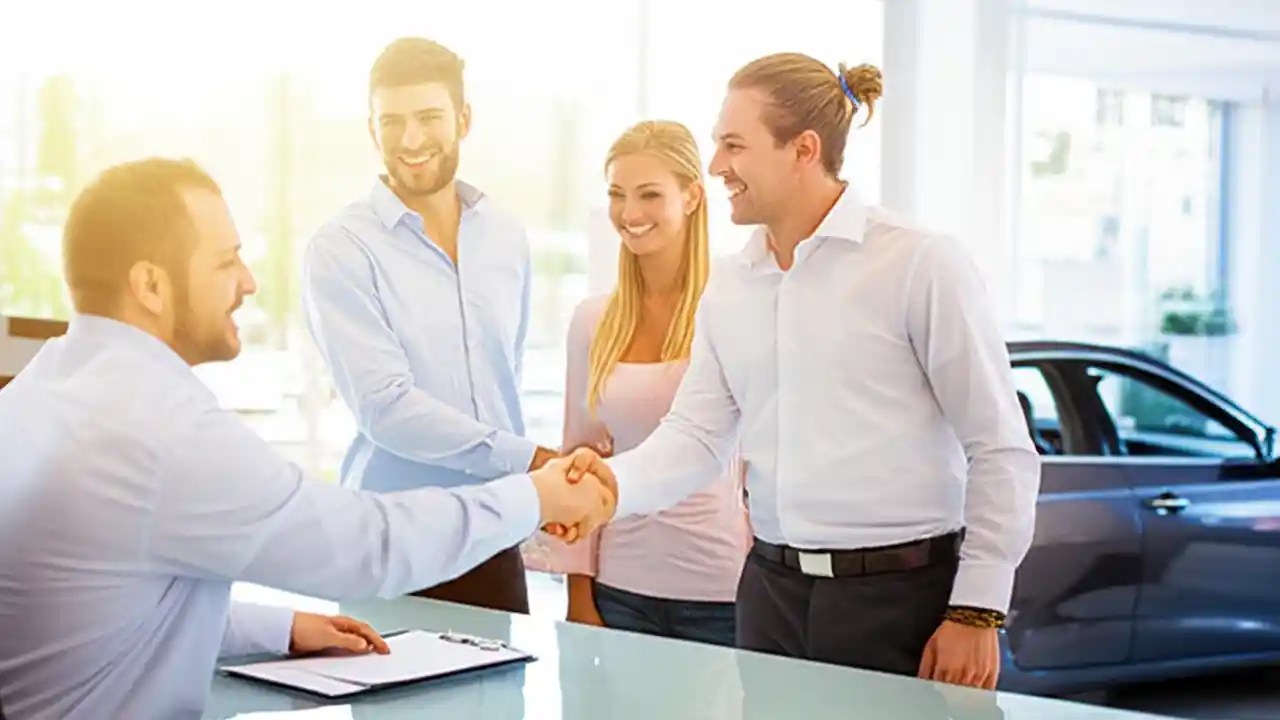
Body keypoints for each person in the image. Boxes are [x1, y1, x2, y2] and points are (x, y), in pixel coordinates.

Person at [0, 158, 614, 720]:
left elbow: (106, 605)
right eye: (225, 261)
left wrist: (278, 629)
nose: (248, 282)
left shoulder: (40, 390)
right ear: (151, 286)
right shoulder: (158, 430)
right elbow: (368, 546)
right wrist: (536, 496)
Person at [558, 53, 1041, 690]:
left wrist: (975, 609)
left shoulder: (919, 264)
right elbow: (697, 439)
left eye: (734, 145)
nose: (716, 166)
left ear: (803, 149)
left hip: (901, 599)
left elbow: (1000, 445)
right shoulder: (731, 286)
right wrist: (609, 486)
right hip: (769, 596)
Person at [301, 37, 553, 614]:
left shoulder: (507, 237)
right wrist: (533, 461)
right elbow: (384, 407)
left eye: (429, 117)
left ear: (463, 119)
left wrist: (529, 485)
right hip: (393, 543)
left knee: (496, 703)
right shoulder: (342, 249)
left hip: (493, 537)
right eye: (391, 121)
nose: (410, 140)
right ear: (371, 130)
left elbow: (500, 384)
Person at [532, 121, 750, 647]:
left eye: (650, 194)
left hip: (722, 595)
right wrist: (579, 597)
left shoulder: (734, 307)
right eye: (617, 195)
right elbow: (576, 458)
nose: (630, 214)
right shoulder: (593, 321)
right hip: (617, 592)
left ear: (693, 196)